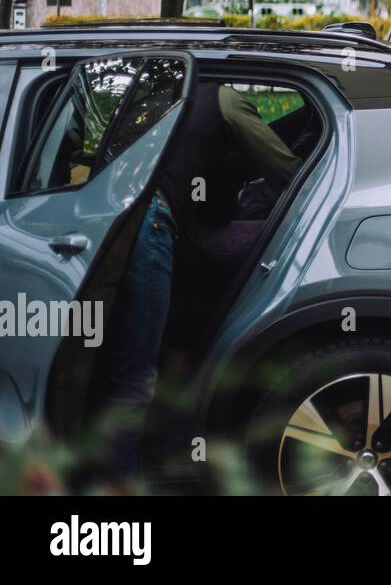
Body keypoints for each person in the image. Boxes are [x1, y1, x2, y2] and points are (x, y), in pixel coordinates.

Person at [101, 82, 301, 480]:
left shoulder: (152, 96)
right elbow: (286, 171)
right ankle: (119, 484)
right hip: (151, 223)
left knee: (118, 357)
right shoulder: (222, 96)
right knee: (136, 373)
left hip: (113, 221)